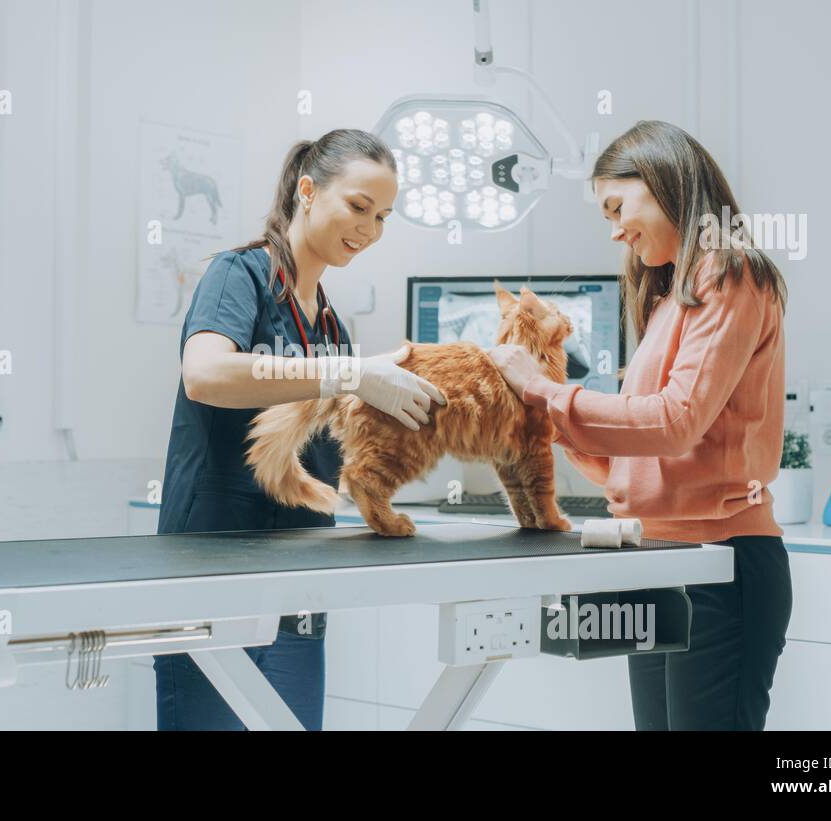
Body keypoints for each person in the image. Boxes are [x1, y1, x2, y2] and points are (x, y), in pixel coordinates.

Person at [490, 120, 793, 730]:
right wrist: (538, 419)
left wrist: (547, 392)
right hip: (659, 558)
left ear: (662, 181)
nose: (614, 230)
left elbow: (676, 423)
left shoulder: (730, 272)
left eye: (617, 205)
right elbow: (638, 456)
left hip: (721, 562)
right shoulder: (666, 299)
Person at [154, 129, 446, 730]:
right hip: (216, 561)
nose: (369, 230)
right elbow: (204, 374)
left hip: (301, 575)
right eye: (359, 207)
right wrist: (348, 374)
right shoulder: (240, 276)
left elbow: (330, 426)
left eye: (384, 217)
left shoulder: (332, 323)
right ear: (307, 192)